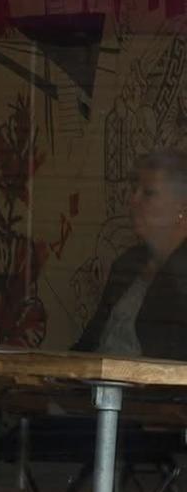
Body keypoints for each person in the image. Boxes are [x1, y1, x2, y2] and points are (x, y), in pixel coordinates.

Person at [73, 151, 187, 359]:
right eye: (134, 190)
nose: (133, 201)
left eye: (148, 193)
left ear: (182, 207)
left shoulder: (181, 274)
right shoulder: (128, 264)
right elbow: (88, 344)